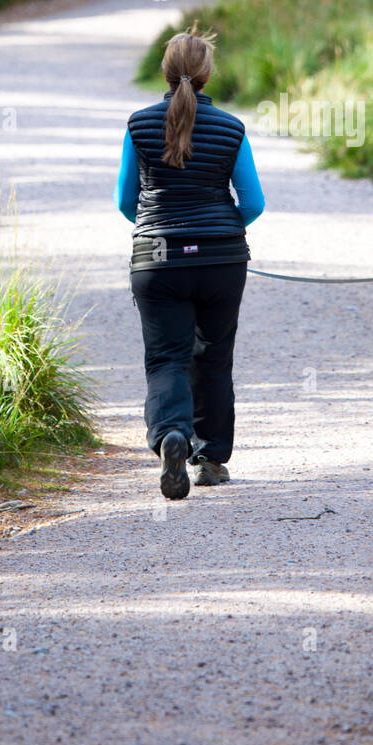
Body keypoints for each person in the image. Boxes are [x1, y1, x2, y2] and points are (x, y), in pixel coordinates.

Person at [114, 26, 264, 501]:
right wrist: (219, 231)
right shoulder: (232, 128)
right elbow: (254, 203)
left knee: (166, 358)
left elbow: (125, 202)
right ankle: (213, 458)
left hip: (157, 258)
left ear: (165, 70)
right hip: (222, 259)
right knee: (214, 356)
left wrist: (164, 233)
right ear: (207, 73)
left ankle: (170, 437)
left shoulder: (138, 125)